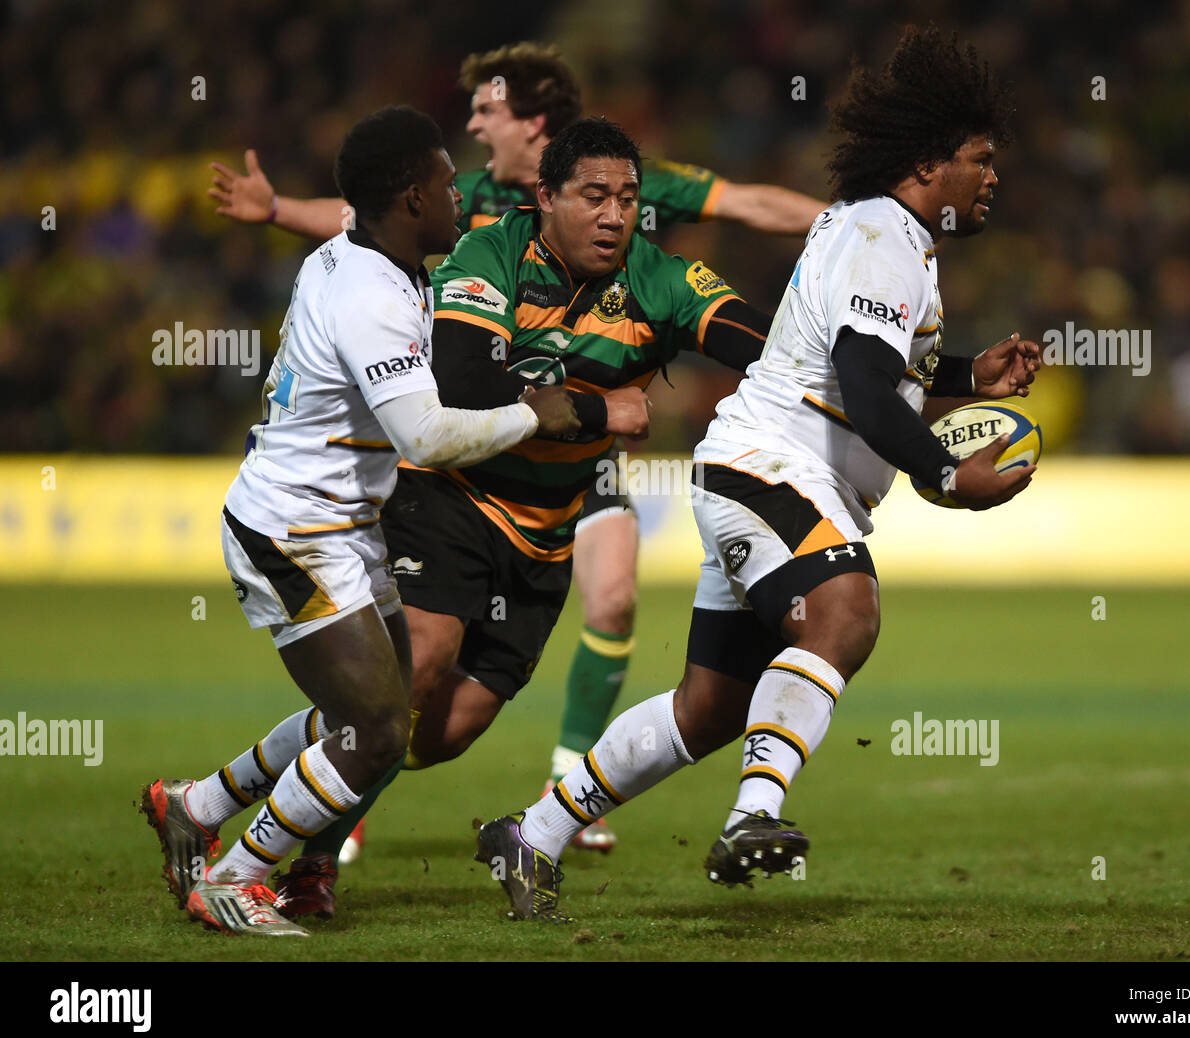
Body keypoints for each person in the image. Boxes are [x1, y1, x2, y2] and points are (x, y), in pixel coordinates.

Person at [476, 26, 1043, 923]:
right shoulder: (882, 234)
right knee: (845, 611)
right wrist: (943, 475)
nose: (993, 176)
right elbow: (860, 379)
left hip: (766, 472)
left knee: (709, 708)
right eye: (980, 158)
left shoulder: (884, 237)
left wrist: (966, 375)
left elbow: (862, 360)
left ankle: (533, 834)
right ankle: (753, 818)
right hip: (773, 466)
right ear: (931, 165)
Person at [207, 41, 824, 856]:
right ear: (547, 195)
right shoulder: (480, 235)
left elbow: (766, 322)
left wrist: (853, 249)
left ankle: (222, 793)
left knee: (439, 730)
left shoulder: (655, 261)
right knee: (408, 682)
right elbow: (453, 385)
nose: (615, 211)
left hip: (549, 517)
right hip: (454, 490)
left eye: (627, 199)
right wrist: (592, 407)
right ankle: (290, 855)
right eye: (596, 197)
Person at [139, 105, 579, 936]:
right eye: (450, 184)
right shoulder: (372, 295)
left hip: (341, 526)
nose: (462, 198)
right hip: (293, 531)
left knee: (376, 707)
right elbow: (427, 435)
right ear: (413, 198)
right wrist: (530, 413)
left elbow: (349, 211)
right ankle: (234, 877)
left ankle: (197, 806)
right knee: (377, 728)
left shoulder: (362, 245)